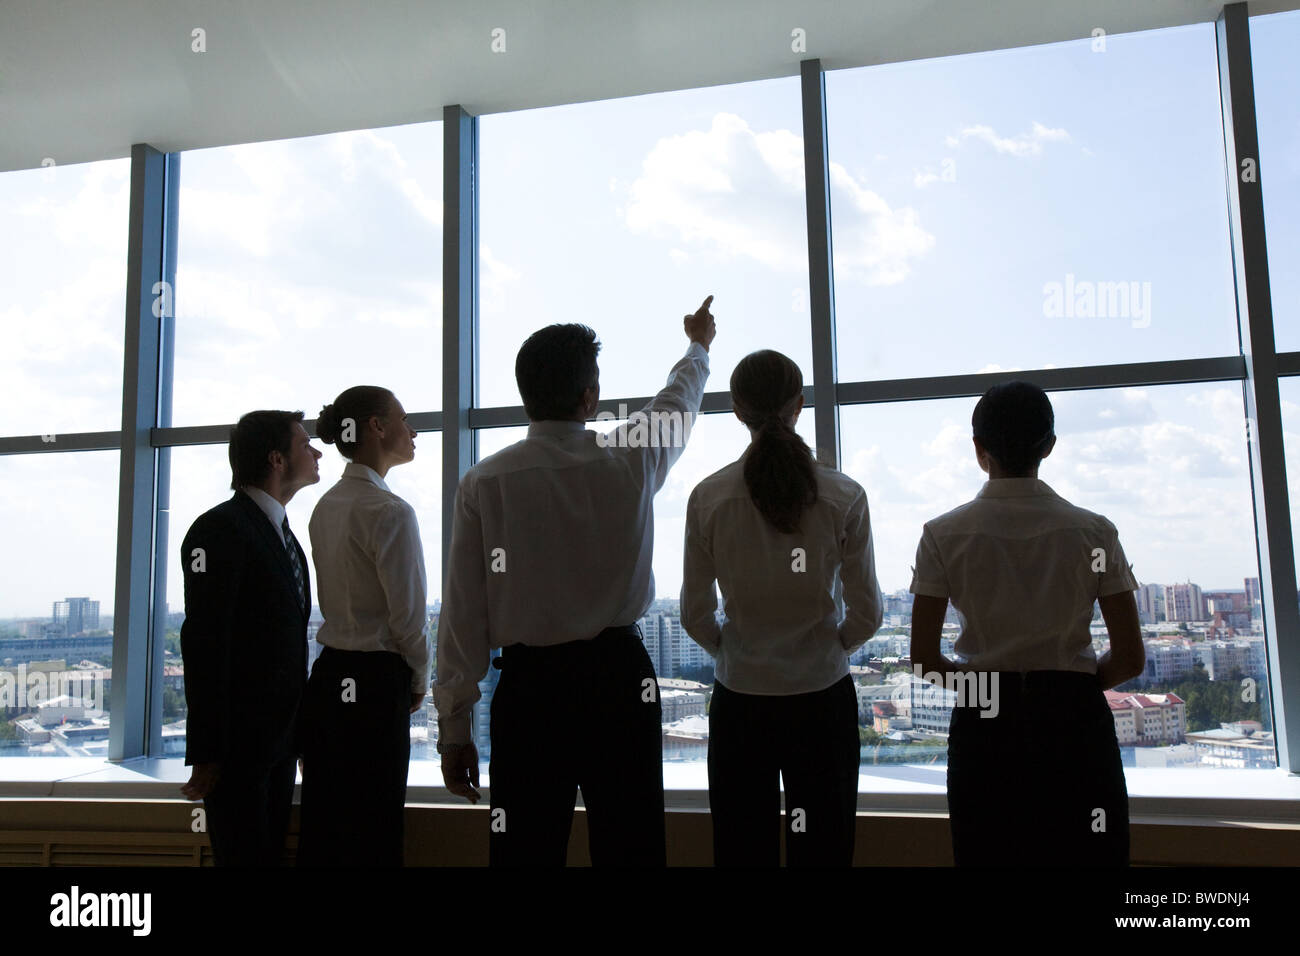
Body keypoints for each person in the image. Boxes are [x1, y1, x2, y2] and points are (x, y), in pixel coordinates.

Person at [435, 296, 717, 866]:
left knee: (523, 850)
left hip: (530, 689)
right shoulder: (630, 457)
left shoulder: (484, 483)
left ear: (524, 396)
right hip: (619, 681)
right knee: (632, 844)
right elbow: (677, 403)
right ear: (589, 397)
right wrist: (698, 345)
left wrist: (454, 725)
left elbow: (463, 614)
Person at [908, 380, 1145, 867]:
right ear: (1050, 446)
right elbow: (1130, 656)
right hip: (1074, 721)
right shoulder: (1094, 531)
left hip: (985, 723)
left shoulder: (942, 535)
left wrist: (987, 686)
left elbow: (925, 663)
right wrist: (1068, 685)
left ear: (979, 450)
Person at [681, 349, 882, 866]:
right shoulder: (844, 495)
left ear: (737, 409)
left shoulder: (708, 497)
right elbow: (868, 613)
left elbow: (695, 614)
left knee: (741, 849)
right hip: (821, 700)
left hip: (741, 701)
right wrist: (829, 647)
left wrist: (732, 650)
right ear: (800, 405)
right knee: (826, 850)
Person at [179, 409, 322, 866]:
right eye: (305, 444)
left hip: (276, 744)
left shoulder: (284, 535)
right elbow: (203, 643)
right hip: (238, 750)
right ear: (277, 459)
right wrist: (207, 751)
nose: (316, 451)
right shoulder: (219, 529)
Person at [296, 386, 429, 867]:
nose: (413, 430)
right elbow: (408, 618)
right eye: (404, 418)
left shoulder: (324, 506)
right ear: (376, 427)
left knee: (327, 826)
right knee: (375, 825)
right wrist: (419, 678)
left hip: (329, 677)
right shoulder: (390, 511)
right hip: (376, 683)